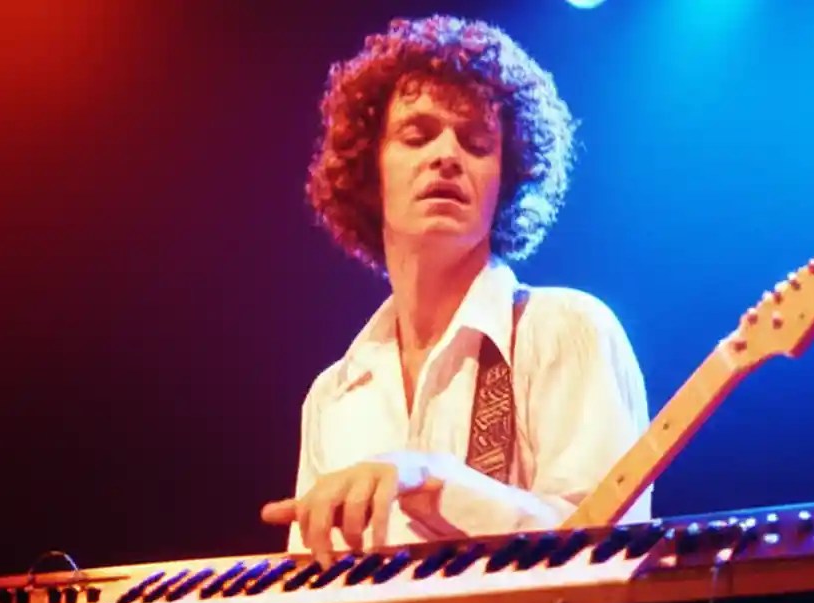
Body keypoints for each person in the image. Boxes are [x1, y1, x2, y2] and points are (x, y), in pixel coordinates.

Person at [259, 14, 652, 568]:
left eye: (475, 143)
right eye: (417, 136)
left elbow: (608, 548)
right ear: (371, 174)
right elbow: (312, 583)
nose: (446, 156)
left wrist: (432, 478)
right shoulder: (334, 396)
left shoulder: (565, 329)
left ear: (506, 181)